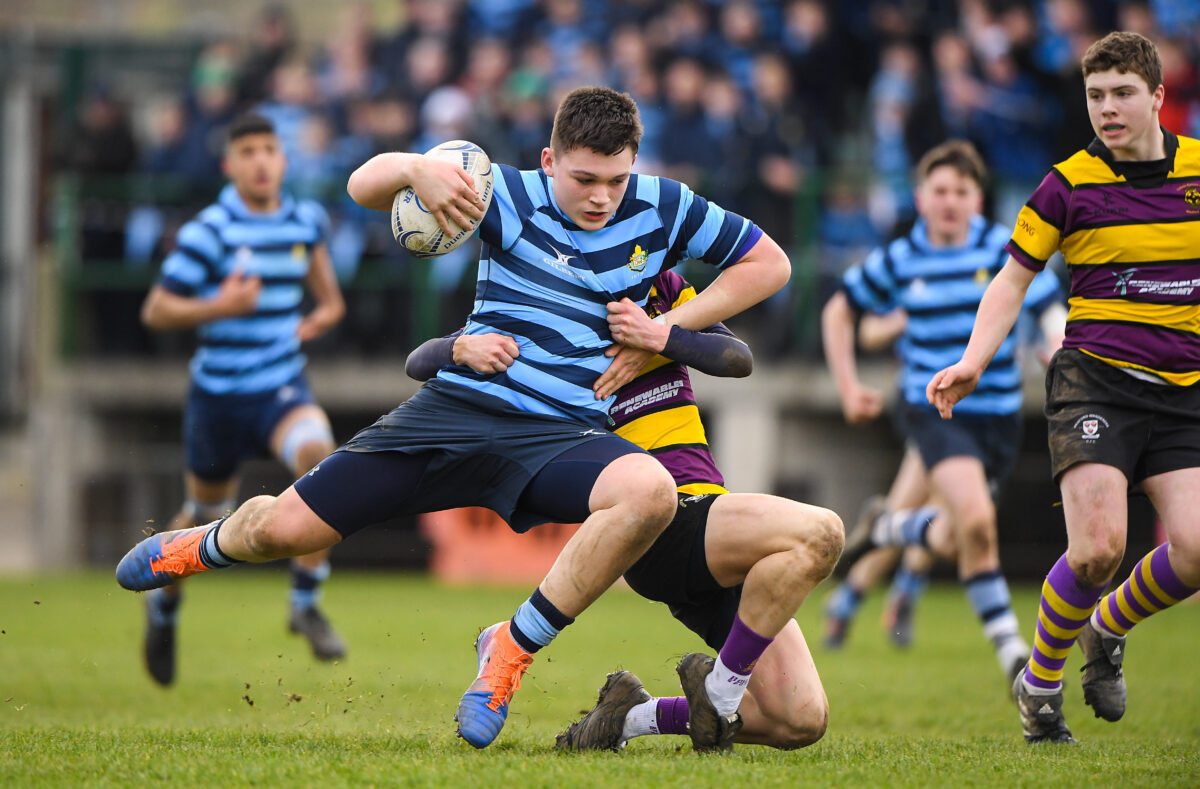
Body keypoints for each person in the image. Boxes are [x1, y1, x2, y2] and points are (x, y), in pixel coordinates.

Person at [116, 86, 791, 749]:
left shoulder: (664, 206)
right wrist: (415, 168)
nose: (600, 197)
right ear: (549, 161)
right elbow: (361, 186)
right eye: (584, 179)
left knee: (649, 491)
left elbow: (769, 264)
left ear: (634, 167)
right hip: (456, 410)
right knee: (281, 531)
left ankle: (509, 650)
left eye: (616, 181)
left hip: (561, 435)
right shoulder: (506, 193)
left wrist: (666, 331)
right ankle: (195, 547)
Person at [406, 268, 843, 752]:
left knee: (799, 720)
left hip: (714, 528)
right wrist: (460, 348)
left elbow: (738, 358)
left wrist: (657, 336)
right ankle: (719, 695)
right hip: (660, 517)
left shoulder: (665, 287)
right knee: (819, 533)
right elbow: (419, 361)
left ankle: (628, 717)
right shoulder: (544, 296)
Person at [928, 32, 1200, 745]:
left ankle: (1107, 626)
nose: (1107, 108)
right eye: (1095, 95)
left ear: (1157, 97)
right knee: (1097, 551)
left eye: (1122, 94)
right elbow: (1011, 281)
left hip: (1183, 391)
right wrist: (973, 360)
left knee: (1198, 550)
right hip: (1094, 385)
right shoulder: (1066, 184)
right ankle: (1041, 687)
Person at [821, 140, 1065, 683]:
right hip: (933, 410)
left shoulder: (1002, 249)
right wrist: (848, 385)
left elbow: (1050, 302)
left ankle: (887, 531)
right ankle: (1013, 657)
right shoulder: (901, 258)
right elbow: (842, 311)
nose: (950, 200)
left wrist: (1057, 343)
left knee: (958, 534)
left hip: (998, 417)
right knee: (974, 520)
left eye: (961, 191)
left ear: (978, 198)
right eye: (940, 190)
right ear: (920, 198)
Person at [137, 112, 348, 686]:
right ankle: (163, 604)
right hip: (219, 398)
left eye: (269, 150)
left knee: (320, 459)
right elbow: (156, 309)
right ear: (229, 165)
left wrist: (321, 317)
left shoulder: (305, 221)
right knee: (205, 518)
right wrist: (220, 307)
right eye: (247, 152)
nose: (260, 162)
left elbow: (330, 300)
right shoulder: (209, 232)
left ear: (284, 160)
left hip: (280, 388)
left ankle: (305, 601)